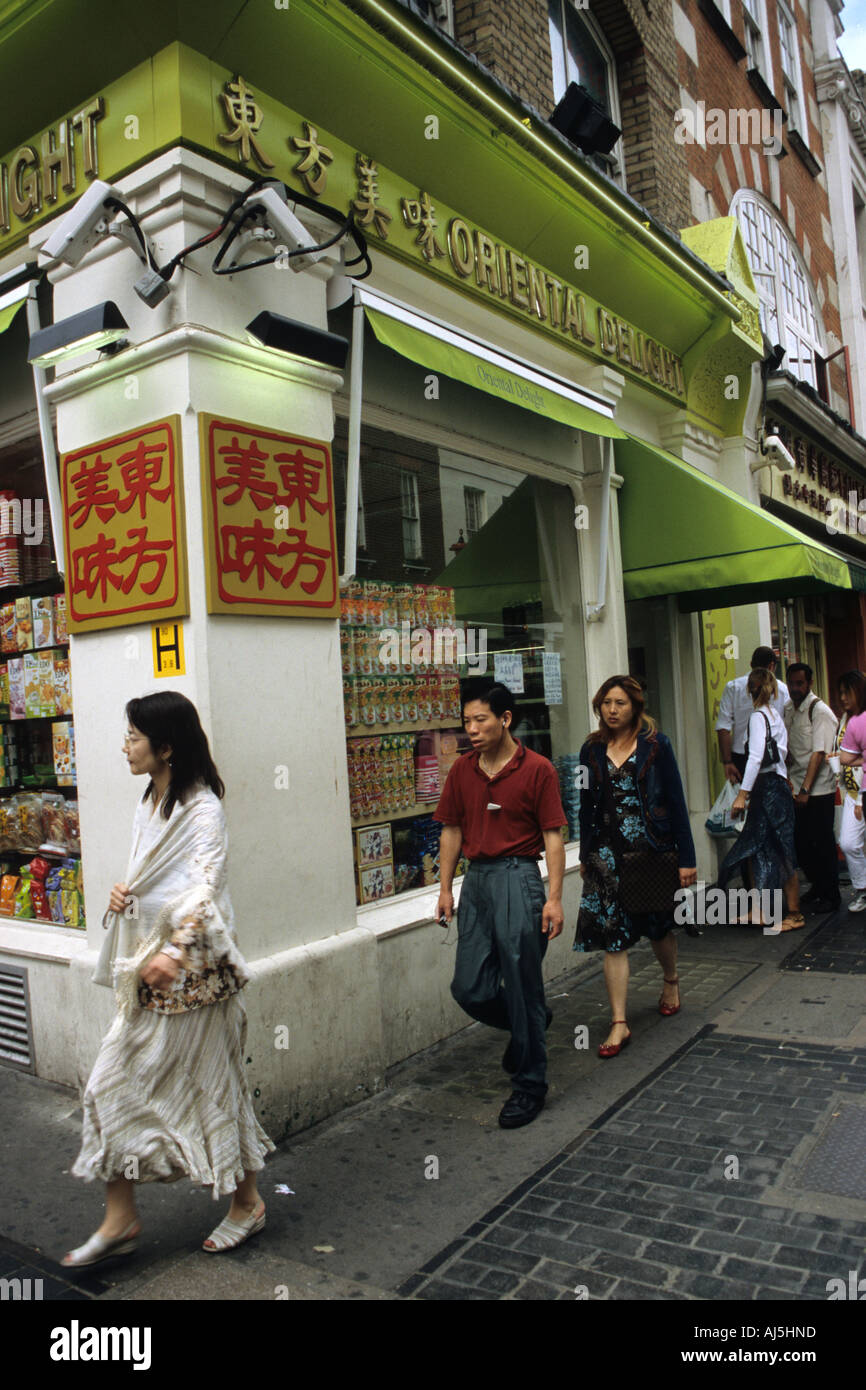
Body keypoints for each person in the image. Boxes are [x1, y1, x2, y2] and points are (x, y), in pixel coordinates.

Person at [62, 691, 275, 1268]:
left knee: (215, 1087)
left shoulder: (203, 810)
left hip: (194, 977)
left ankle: (247, 1204)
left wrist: (177, 953)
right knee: (108, 1084)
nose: (125, 746)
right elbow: (152, 877)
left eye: (134, 736)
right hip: (150, 973)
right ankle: (121, 1215)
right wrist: (124, 898)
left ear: (167, 746)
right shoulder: (149, 801)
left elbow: (205, 888)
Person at [434, 680, 566, 1130]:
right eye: (466, 720)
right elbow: (450, 829)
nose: (471, 729)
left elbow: (553, 835)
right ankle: (530, 1020)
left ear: (505, 719)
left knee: (521, 980)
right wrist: (446, 888)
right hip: (478, 882)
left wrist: (553, 898)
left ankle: (530, 1084)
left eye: (480, 720)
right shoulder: (462, 771)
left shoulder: (538, 769)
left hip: (518, 877)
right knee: (469, 986)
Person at [574, 675, 697, 1059]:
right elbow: (584, 803)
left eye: (620, 703)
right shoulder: (590, 751)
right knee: (614, 937)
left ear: (635, 707)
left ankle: (671, 979)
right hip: (606, 857)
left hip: (651, 850)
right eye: (606, 703)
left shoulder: (657, 746)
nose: (612, 710)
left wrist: (687, 859)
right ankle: (619, 1022)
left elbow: (676, 800)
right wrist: (584, 854)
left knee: (658, 927)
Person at [720, 668, 803, 930]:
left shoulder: (758, 718)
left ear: (750, 690)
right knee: (772, 849)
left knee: (758, 848)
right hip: (777, 786)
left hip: (766, 788)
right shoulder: (774, 715)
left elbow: (756, 757)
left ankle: (780, 912)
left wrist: (742, 795)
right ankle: (769, 910)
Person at [784, 663, 840, 914]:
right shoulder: (788, 709)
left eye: (800, 683)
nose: (795, 688)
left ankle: (831, 894)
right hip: (795, 785)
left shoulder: (820, 712)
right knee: (801, 843)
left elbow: (819, 753)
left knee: (822, 842)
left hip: (819, 790)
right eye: (792, 683)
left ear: (810, 684)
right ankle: (818, 887)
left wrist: (806, 789)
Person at [716, 646, 790, 783]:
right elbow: (789, 724)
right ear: (772, 666)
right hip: (773, 759)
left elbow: (723, 727)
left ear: (751, 664)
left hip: (741, 757)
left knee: (744, 802)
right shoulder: (782, 690)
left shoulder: (733, 687)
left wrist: (727, 762)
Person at [834, 671, 866, 914]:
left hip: (861, 791)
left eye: (847, 692)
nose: (843, 697)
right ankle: (863, 889)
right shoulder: (846, 719)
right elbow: (846, 755)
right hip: (852, 792)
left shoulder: (859, 720)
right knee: (847, 842)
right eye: (840, 692)